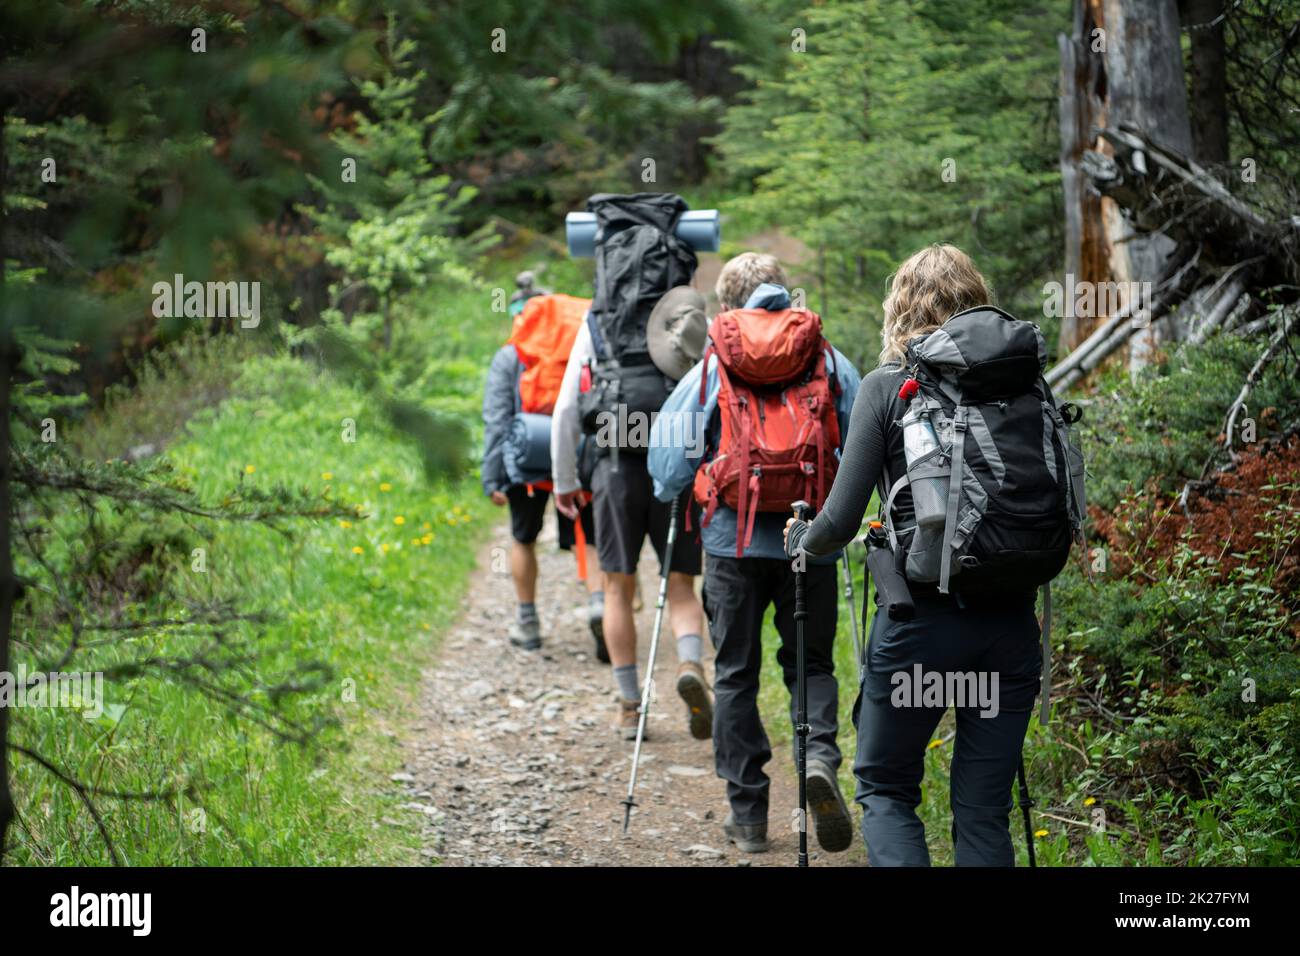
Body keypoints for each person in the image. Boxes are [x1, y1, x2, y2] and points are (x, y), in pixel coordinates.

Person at [784, 243, 1044, 866]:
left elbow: (840, 523)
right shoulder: (1024, 382)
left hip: (920, 625)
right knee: (984, 810)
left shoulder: (887, 388)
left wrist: (803, 543)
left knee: (887, 788)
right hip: (1010, 629)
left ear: (900, 306)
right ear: (975, 298)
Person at [648, 253, 860, 855]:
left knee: (737, 675)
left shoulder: (716, 360)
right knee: (811, 665)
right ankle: (818, 756)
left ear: (729, 304)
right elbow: (864, 440)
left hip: (730, 543)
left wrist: (681, 490)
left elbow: (666, 463)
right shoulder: (825, 356)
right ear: (786, 293)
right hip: (810, 541)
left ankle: (747, 816)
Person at [551, 296, 710, 742]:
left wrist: (564, 479)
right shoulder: (691, 312)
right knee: (680, 584)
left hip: (615, 463)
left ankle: (629, 705)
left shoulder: (599, 319)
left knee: (617, 585)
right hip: (675, 459)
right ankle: (690, 666)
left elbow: (567, 406)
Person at [482, 302, 602, 652]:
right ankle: (599, 606)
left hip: (527, 462)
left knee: (523, 538)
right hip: (577, 455)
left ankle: (528, 620)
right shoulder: (580, 344)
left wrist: (494, 477)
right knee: (592, 539)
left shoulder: (511, 355)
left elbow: (497, 419)